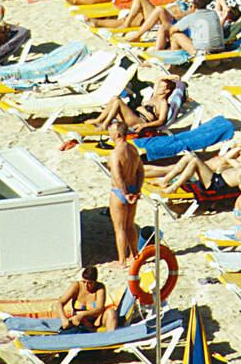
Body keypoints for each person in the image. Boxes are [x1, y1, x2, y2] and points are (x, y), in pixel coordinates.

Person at [107, 120, 142, 267]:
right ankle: (134, 255)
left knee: (119, 228)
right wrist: (138, 189)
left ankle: (122, 261)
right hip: (133, 188)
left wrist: (125, 192)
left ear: (118, 134)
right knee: (130, 226)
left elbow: (117, 176)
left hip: (120, 191)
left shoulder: (115, 153)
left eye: (111, 131)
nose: (109, 133)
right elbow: (140, 171)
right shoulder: (133, 149)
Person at [91, 75, 178, 131]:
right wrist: (170, 76)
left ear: (167, 90)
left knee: (117, 100)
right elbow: (158, 78)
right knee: (114, 98)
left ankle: (104, 124)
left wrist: (144, 125)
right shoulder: (155, 94)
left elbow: (161, 121)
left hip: (138, 121)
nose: (157, 87)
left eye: (160, 87)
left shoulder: (163, 103)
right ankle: (99, 120)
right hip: (133, 115)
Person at [56, 266, 118, 332]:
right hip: (79, 321)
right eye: (84, 282)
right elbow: (60, 303)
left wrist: (83, 314)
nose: (86, 285)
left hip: (96, 320)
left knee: (111, 313)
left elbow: (100, 308)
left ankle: (112, 336)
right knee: (77, 318)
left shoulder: (99, 288)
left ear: (95, 282)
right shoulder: (77, 286)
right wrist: (63, 319)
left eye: (90, 283)